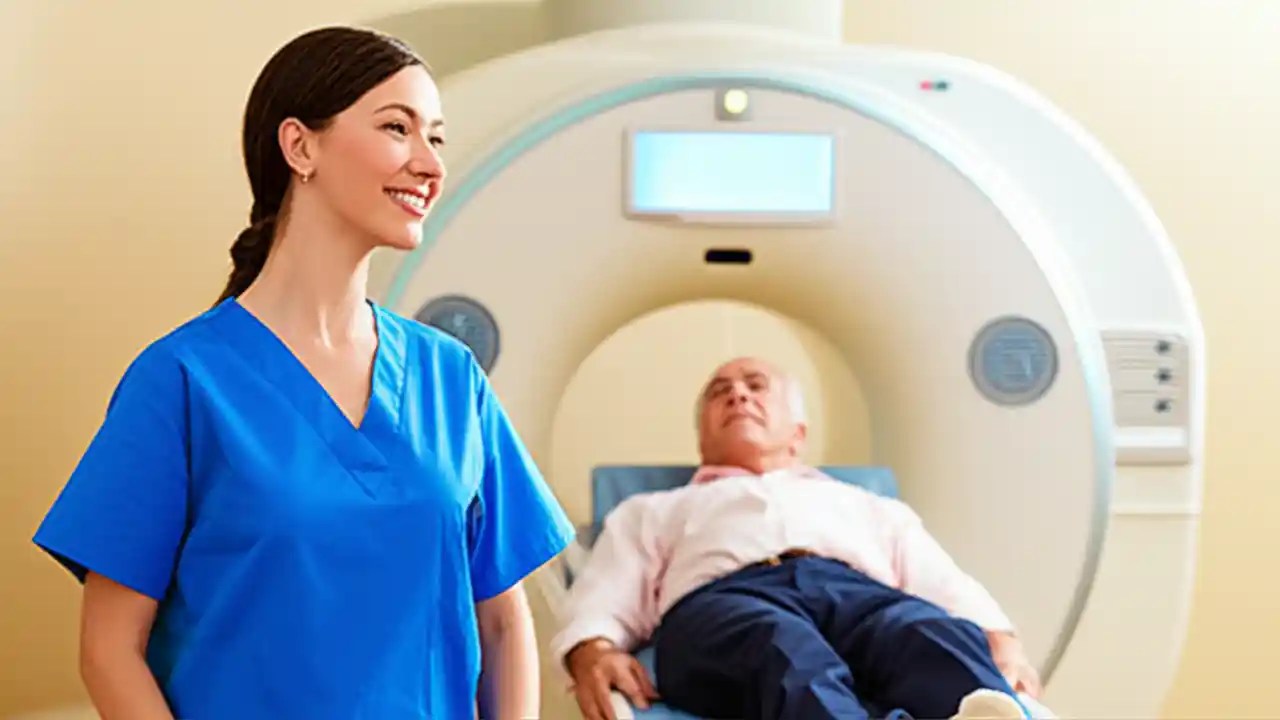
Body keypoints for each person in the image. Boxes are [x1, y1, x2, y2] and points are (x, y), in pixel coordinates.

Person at [32, 26, 574, 720]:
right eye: (396, 127)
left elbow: (502, 624)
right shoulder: (183, 382)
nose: (429, 163)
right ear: (300, 146)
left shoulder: (451, 378)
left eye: (436, 137)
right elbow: (108, 650)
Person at [552, 357, 1047, 720]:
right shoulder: (653, 510)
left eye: (756, 386)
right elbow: (605, 591)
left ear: (798, 432)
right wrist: (591, 649)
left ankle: (984, 714)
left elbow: (942, 582)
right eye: (719, 391)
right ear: (702, 434)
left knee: (930, 633)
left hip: (858, 596)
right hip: (726, 605)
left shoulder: (868, 506)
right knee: (785, 650)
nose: (738, 395)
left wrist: (997, 637)